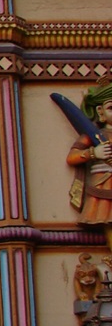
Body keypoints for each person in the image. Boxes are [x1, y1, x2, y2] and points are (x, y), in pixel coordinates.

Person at [66, 76, 112, 251]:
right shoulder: (93, 135)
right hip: (103, 188)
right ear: (100, 111)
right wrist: (93, 152)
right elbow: (72, 157)